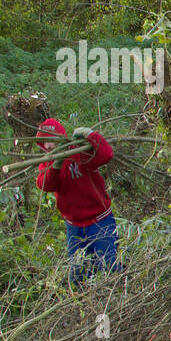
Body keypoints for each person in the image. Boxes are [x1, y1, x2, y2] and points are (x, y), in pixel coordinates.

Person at [34, 118, 122, 285]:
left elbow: (106, 155)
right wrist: (56, 165)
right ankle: (87, 304)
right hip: (74, 226)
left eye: (51, 140)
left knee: (108, 265)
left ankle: (119, 295)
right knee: (78, 273)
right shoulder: (48, 161)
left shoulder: (79, 150)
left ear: (60, 137)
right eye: (44, 142)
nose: (48, 146)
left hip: (100, 220)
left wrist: (91, 135)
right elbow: (45, 185)